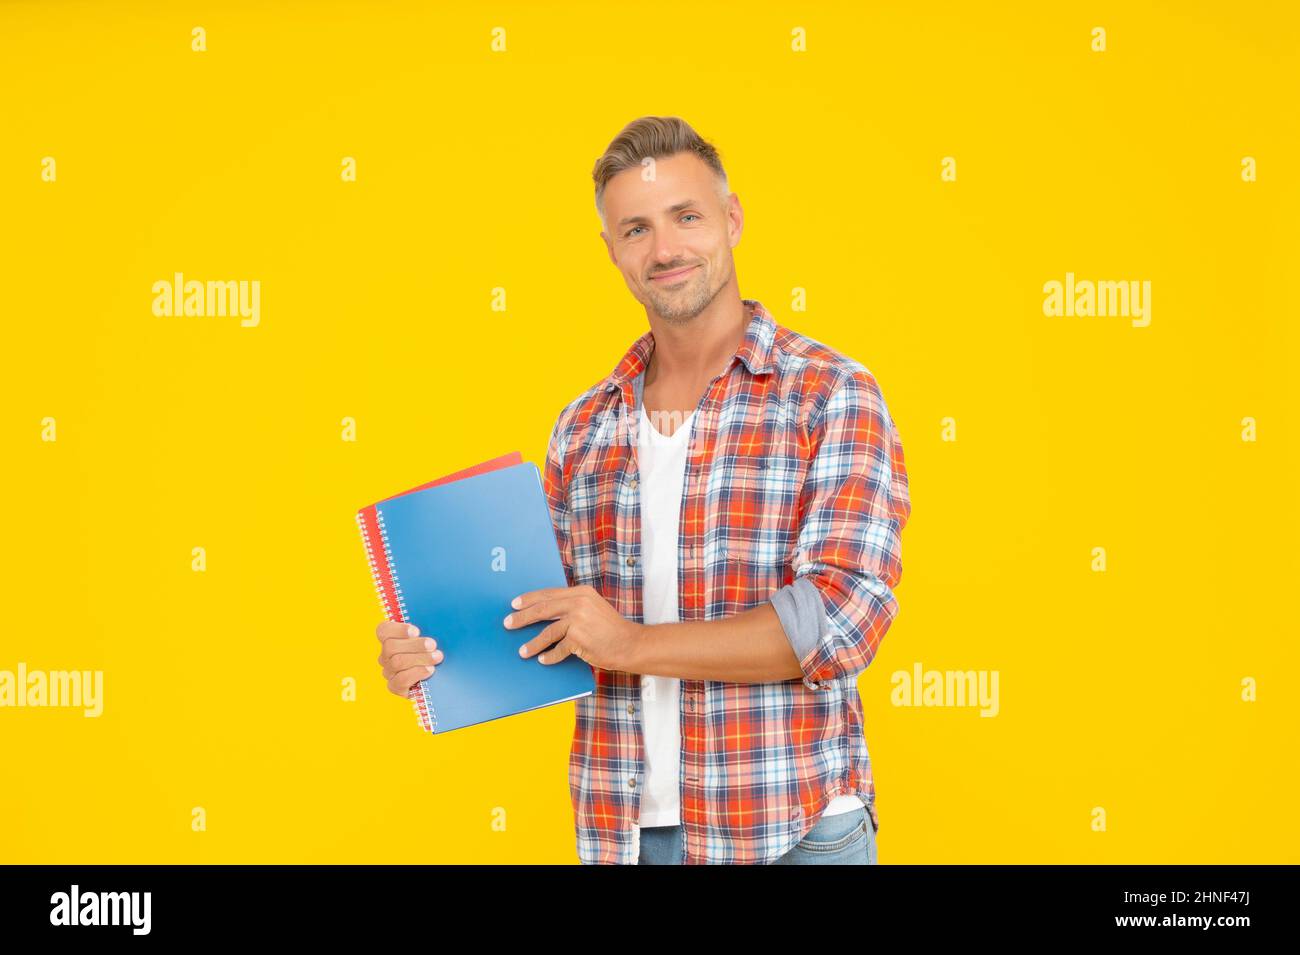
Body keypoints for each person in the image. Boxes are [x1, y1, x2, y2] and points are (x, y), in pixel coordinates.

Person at [377, 116, 911, 864]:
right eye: (635, 229)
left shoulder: (831, 394)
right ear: (611, 251)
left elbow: (840, 619)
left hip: (792, 830)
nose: (664, 249)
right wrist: (434, 655)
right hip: (627, 835)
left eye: (685, 217)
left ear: (731, 220)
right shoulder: (584, 425)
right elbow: (545, 619)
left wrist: (630, 642)